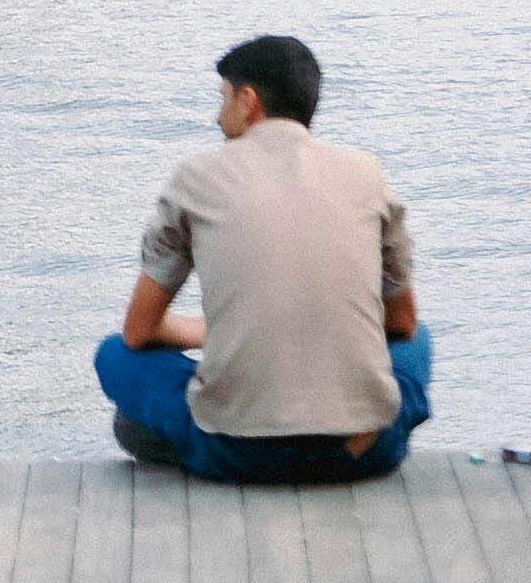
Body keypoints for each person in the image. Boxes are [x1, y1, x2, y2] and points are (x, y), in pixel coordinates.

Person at [93, 33, 432, 484]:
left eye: (223, 98)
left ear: (248, 99)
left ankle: (192, 441)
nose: (217, 116)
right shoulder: (367, 175)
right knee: (418, 341)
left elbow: (138, 332)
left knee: (115, 356)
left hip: (237, 451)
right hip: (362, 451)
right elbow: (403, 323)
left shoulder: (196, 179)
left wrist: (208, 333)